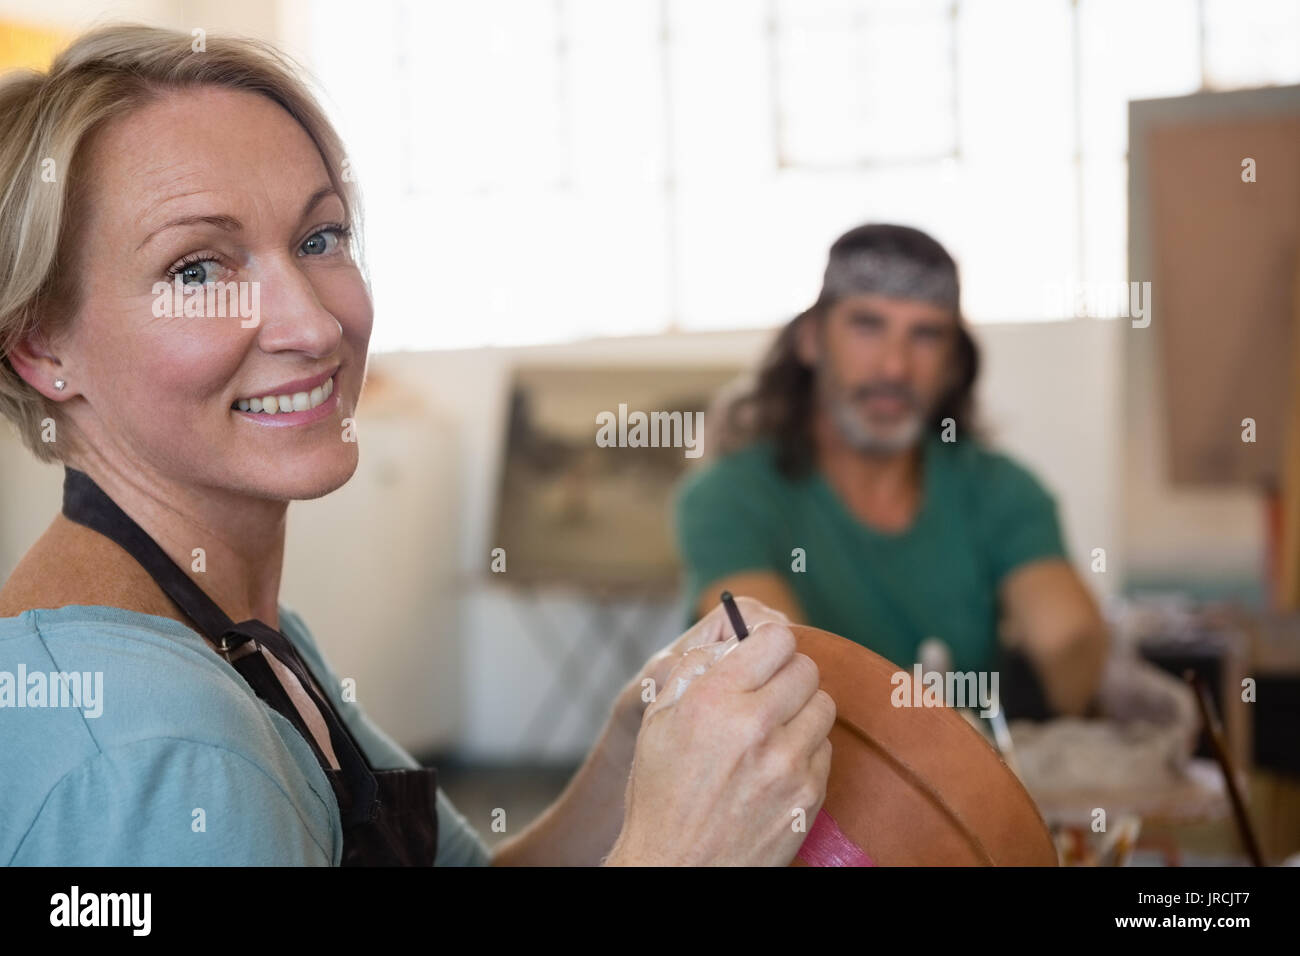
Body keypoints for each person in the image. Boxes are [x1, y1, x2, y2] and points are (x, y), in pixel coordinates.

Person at [0, 24, 833, 866]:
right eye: (197, 270)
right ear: (41, 347)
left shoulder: (240, 634)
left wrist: (627, 764)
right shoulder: (161, 758)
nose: (315, 325)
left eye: (319, 239)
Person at [675, 224, 1108, 716]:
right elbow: (773, 668)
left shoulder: (1000, 489)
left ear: (951, 364)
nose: (895, 368)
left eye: (925, 335)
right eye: (867, 325)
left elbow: (1067, 639)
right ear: (812, 340)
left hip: (973, 782)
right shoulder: (730, 497)